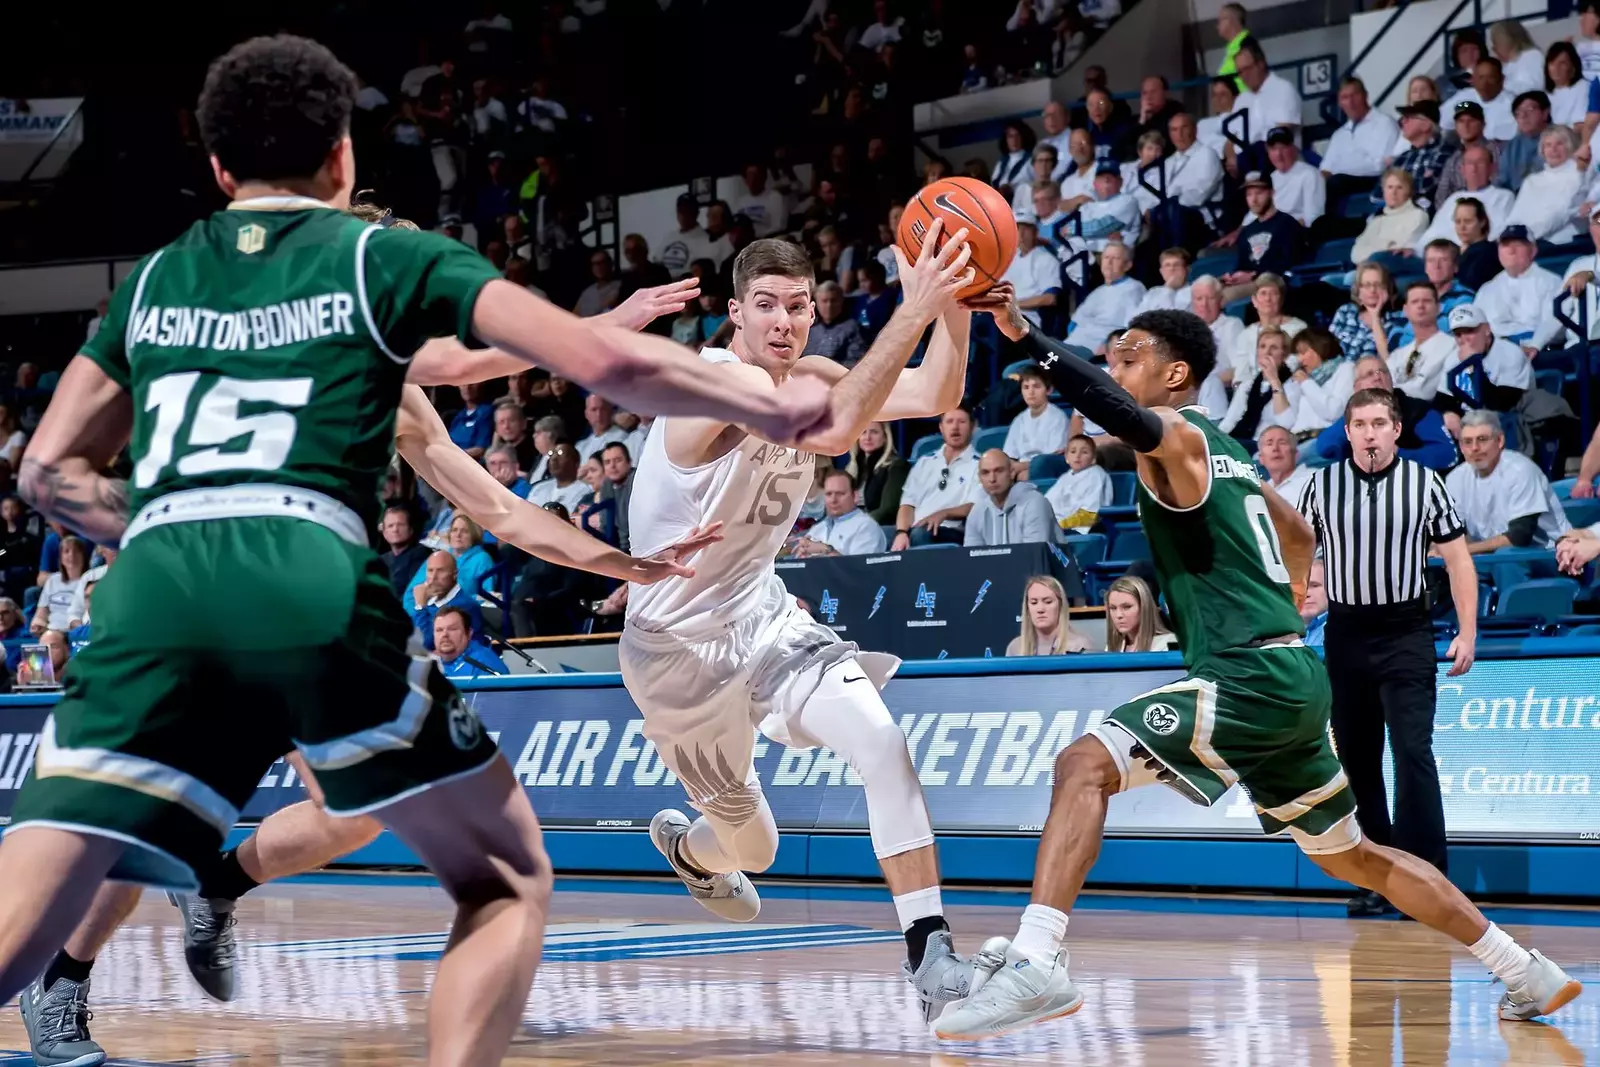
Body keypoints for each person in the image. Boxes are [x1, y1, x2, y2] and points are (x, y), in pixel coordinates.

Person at [0, 33, 834, 1064]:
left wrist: (624, 564)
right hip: (303, 589)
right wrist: (666, 359)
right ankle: (83, 969)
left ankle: (210, 884)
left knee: (289, 814)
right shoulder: (369, 266)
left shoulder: (173, 279)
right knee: (492, 869)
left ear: (217, 167)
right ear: (341, 158)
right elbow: (505, 356)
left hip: (174, 584)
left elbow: (47, 473)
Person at [934, 288, 1581, 1040]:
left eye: (1130, 357)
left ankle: (1037, 960)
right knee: (1357, 856)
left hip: (1246, 675)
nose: (1117, 368)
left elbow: (1113, 408)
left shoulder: (1178, 434)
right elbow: (1300, 532)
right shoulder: (1232, 454)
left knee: (1082, 765)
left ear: (1176, 375)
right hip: (1294, 673)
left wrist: (1024, 335)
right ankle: (1521, 967)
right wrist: (1292, 602)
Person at [620, 228, 985, 1026]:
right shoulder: (711, 383)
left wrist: (957, 298)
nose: (783, 321)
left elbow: (935, 390)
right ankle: (691, 850)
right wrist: (914, 306)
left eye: (797, 306)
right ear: (735, 314)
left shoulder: (815, 374)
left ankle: (930, 952)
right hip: (678, 656)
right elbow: (830, 427)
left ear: (814, 313)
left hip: (764, 616)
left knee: (882, 741)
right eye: (765, 305)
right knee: (755, 851)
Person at [1300, 389, 1480, 917]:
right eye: (1360, 424)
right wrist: (1289, 621)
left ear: (1396, 429)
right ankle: (1376, 879)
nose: (1370, 433)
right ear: (1348, 432)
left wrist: (1467, 632)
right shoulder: (1322, 486)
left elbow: (1458, 559)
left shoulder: (1425, 483)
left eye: (1379, 423)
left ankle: (1427, 880)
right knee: (1357, 759)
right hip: (1347, 633)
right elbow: (1296, 553)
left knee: (1412, 752)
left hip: (1406, 632)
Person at [1005, 576, 1089, 655]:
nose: (1040, 609)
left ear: (1061, 605)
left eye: (1048, 602)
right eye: (1034, 603)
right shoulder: (1015, 648)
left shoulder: (1080, 647)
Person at [1103, 575, 1177, 652]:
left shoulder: (1167, 644)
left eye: (1127, 607)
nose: (1119, 615)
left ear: (1144, 607)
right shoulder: (1112, 646)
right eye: (1113, 608)